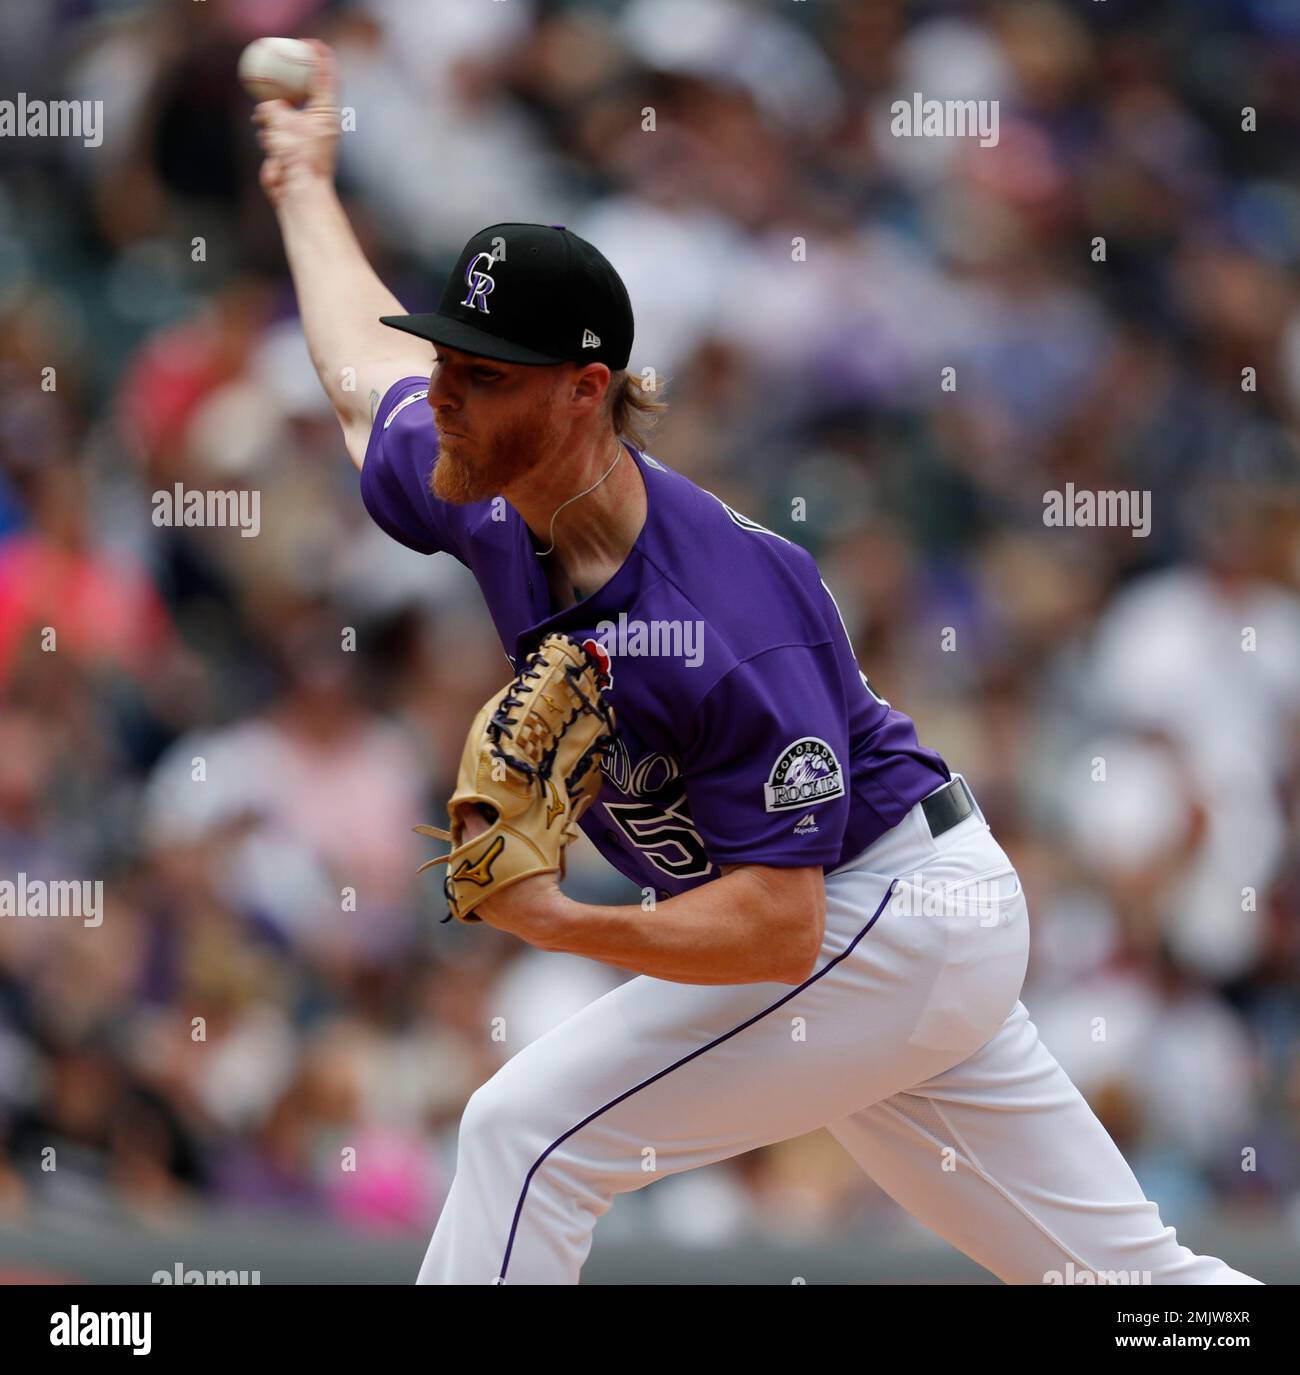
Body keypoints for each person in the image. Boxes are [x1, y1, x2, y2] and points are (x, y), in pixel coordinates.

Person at [253, 43, 1261, 1285]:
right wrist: (305, 183)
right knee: (1126, 1284)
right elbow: (362, 380)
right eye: (447, 362)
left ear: (581, 392)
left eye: (480, 374)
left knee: (523, 1136)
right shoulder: (489, 486)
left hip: (879, 908)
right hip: (885, 927)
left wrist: (555, 921)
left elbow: (780, 929)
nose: (443, 397)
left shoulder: (726, 610)